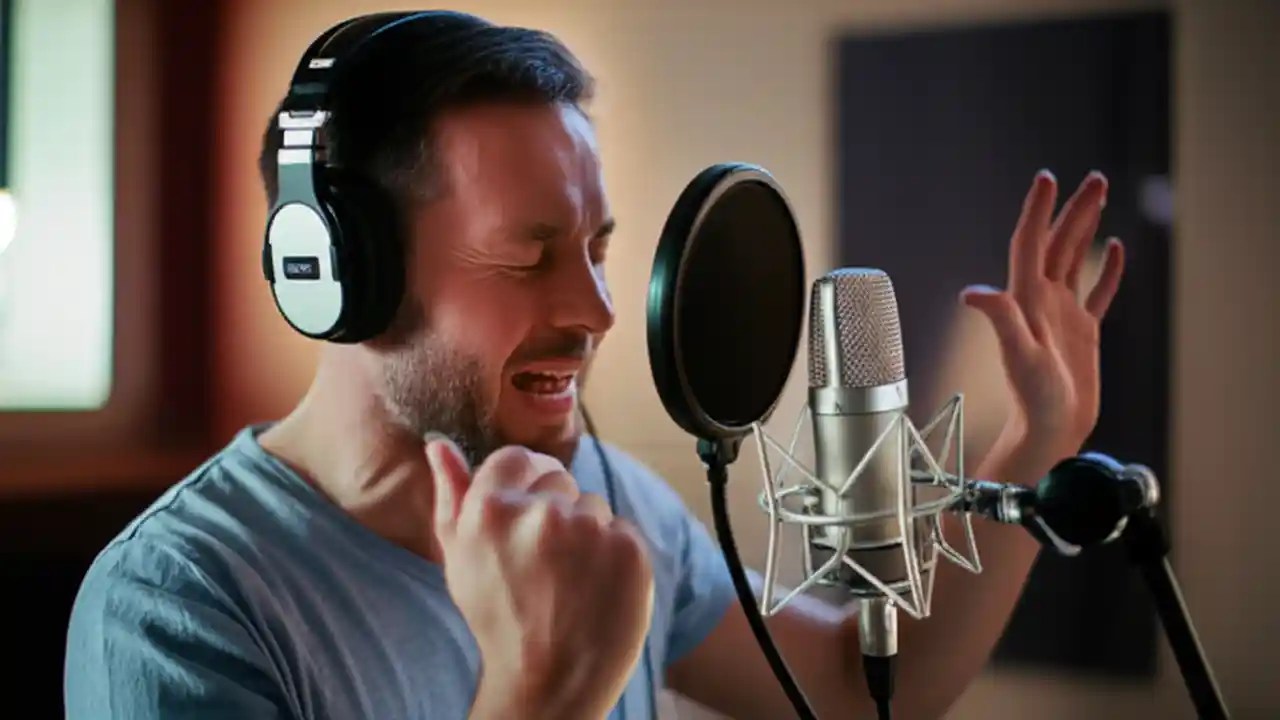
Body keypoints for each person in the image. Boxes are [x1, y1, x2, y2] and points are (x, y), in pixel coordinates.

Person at [63, 10, 1126, 720]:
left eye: (597, 251)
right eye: (527, 256)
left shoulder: (604, 501)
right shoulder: (177, 606)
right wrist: (543, 686)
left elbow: (858, 689)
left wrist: (1032, 444)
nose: (597, 310)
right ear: (335, 271)